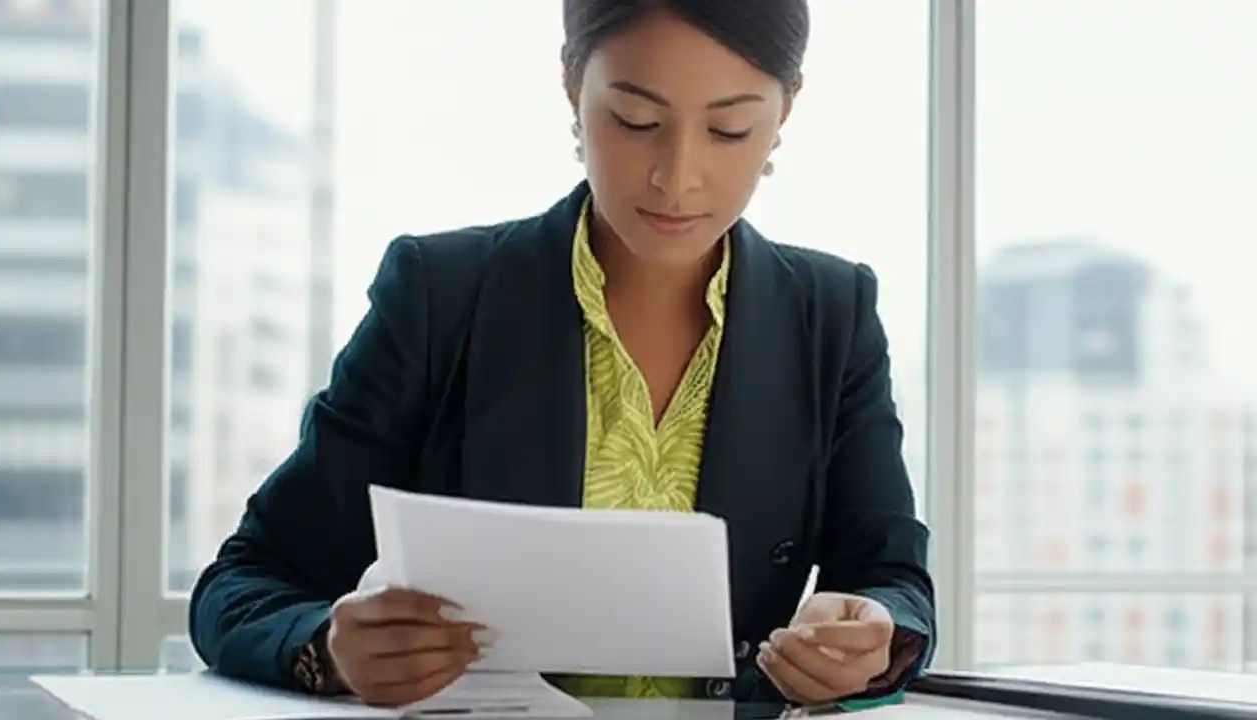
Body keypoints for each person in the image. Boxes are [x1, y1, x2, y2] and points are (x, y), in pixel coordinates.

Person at [188, 0, 935, 709]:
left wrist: (870, 636)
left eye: (729, 130)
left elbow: (891, 578)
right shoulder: (441, 300)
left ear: (785, 113)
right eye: (635, 120)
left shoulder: (832, 316)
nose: (677, 177)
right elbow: (245, 583)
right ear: (573, 84)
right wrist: (329, 647)